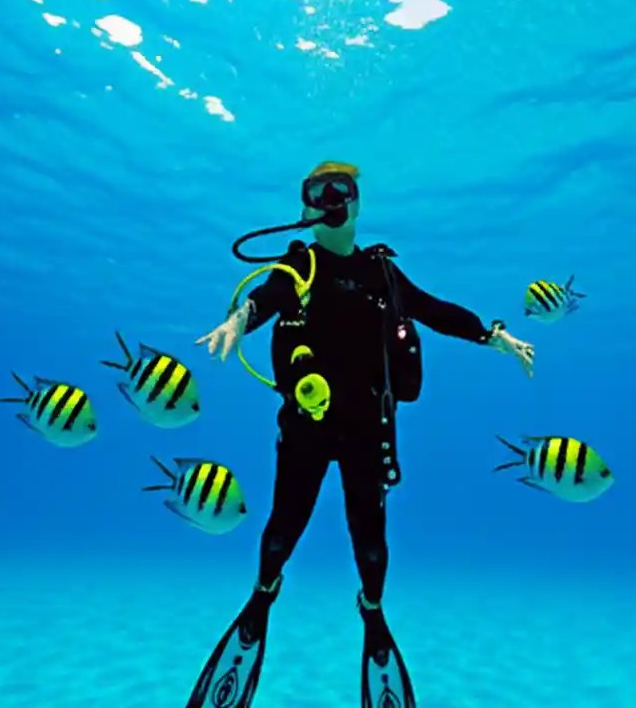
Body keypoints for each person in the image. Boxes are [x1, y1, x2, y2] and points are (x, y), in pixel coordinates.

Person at [185, 161, 535, 708]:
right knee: (282, 529)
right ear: (305, 208)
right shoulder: (297, 265)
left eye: (340, 190)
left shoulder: (383, 275)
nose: (328, 199)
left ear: (356, 204)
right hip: (306, 430)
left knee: (370, 542)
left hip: (367, 433)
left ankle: (371, 611)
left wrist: (493, 336)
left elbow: (437, 311)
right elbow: (269, 297)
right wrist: (238, 319)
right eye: (316, 192)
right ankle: (262, 597)